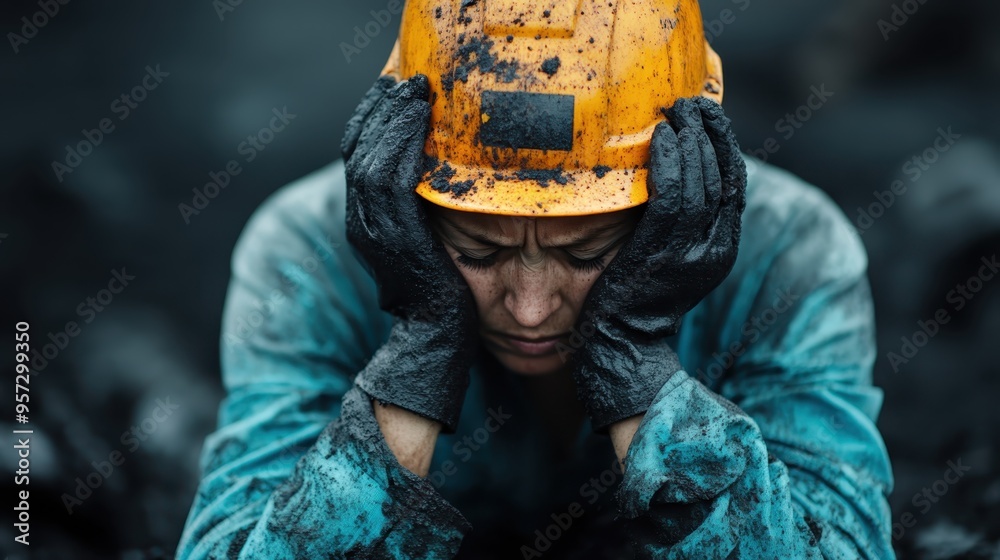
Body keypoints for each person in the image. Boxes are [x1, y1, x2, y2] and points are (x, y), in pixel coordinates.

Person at [178, 0, 894, 557]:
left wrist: (634, 360)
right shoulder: (305, 254)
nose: (527, 309)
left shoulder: (790, 256)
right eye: (478, 250)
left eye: (587, 253)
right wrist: (417, 358)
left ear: (677, 196)